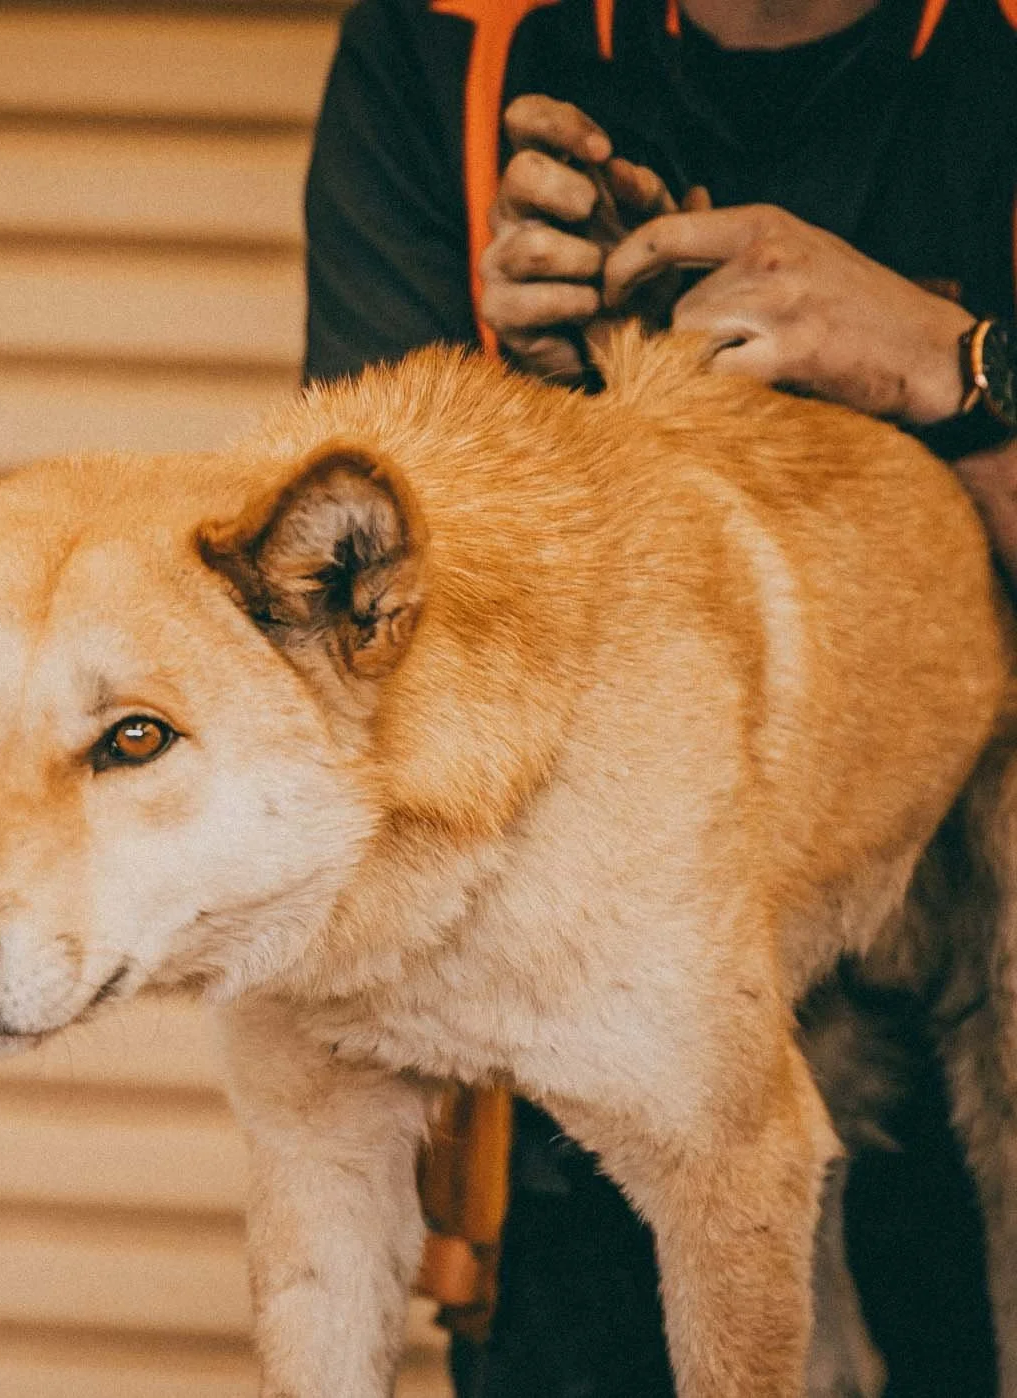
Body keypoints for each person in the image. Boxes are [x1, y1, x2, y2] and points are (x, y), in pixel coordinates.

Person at [302, 0, 1016, 1392]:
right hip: (592, 1058)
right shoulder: (450, 44)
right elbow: (349, 653)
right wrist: (552, 416)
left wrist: (957, 365)